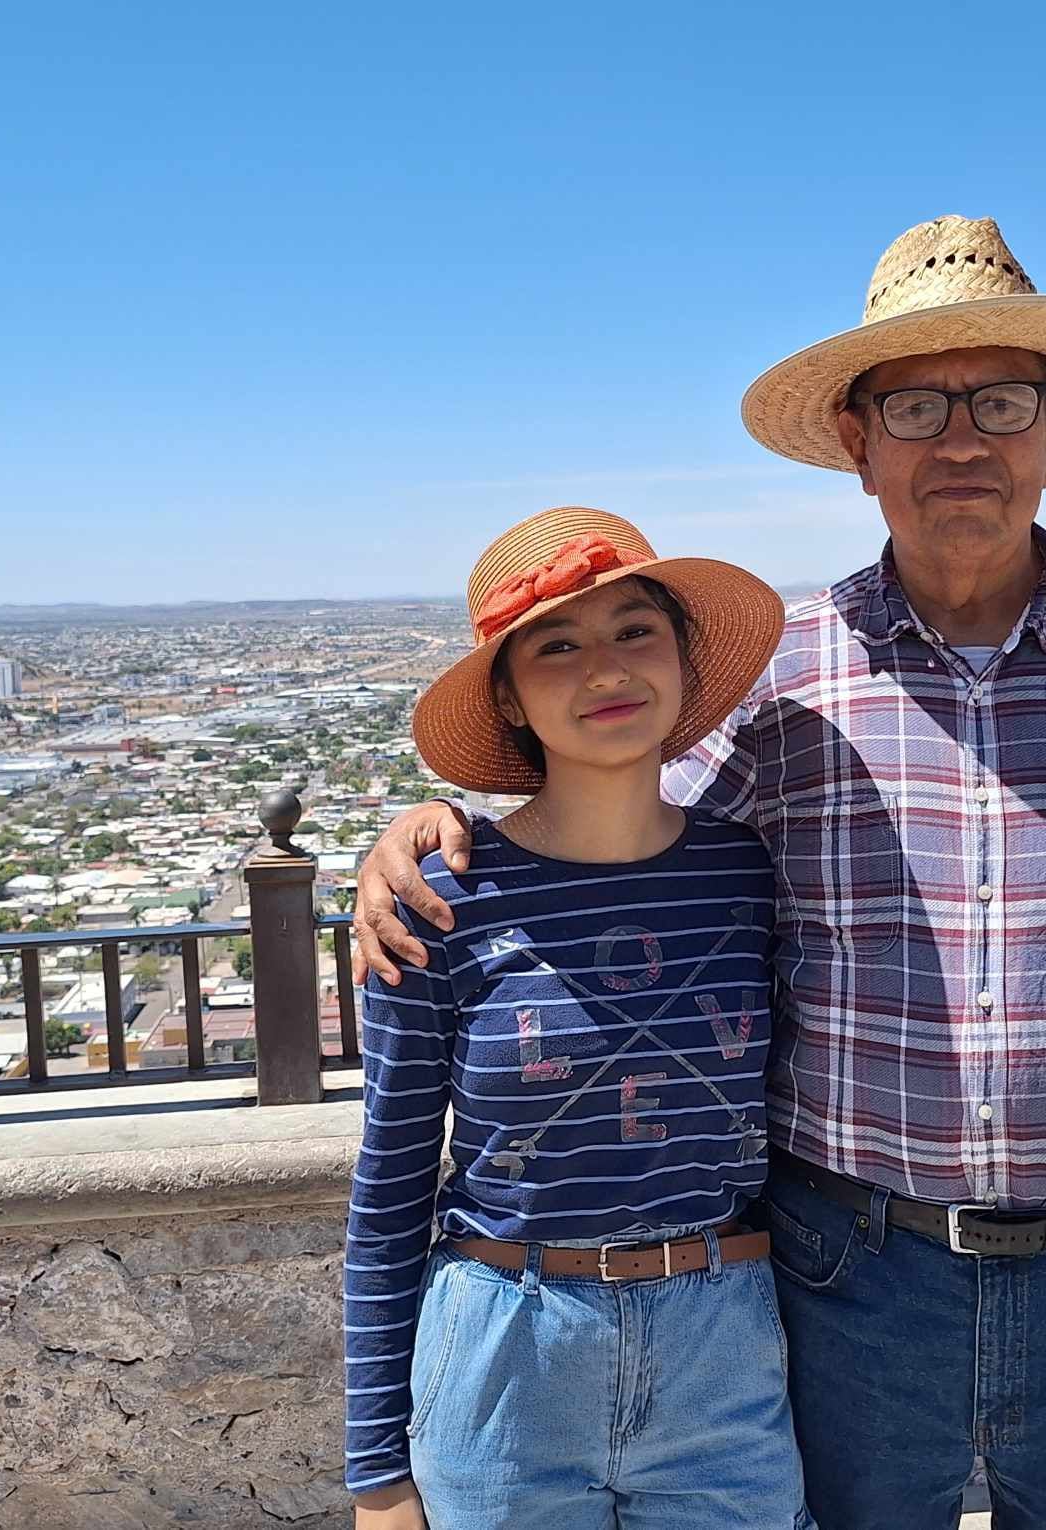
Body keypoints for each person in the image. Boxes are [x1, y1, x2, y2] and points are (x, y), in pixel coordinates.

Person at [356, 216, 1046, 1529]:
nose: (962, 439)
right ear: (859, 444)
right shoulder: (786, 681)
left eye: (1002, 400)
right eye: (916, 405)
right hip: (854, 1278)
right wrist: (428, 840)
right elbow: (602, 821)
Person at [343, 505, 813, 1530]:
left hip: (721, 1335)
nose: (605, 668)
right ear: (509, 696)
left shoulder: (751, 871)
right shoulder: (437, 900)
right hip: (507, 1350)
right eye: (557, 644)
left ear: (684, 665)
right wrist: (375, 1474)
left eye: (634, 630)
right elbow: (390, 1190)